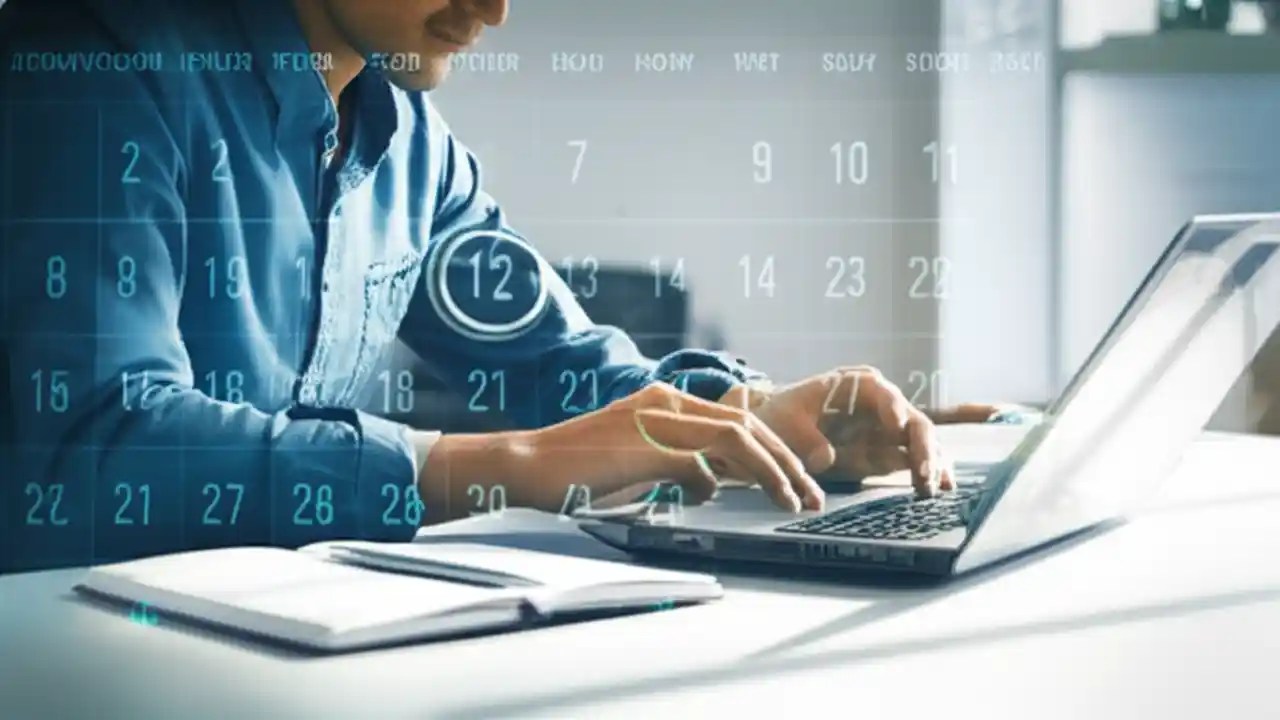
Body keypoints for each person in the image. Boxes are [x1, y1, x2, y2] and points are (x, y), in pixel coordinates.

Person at [0, 0, 1018, 567]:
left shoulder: (411, 151)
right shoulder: (97, 68)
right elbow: (91, 450)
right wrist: (500, 462)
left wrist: (753, 417)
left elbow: (559, 368)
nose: (494, 7)